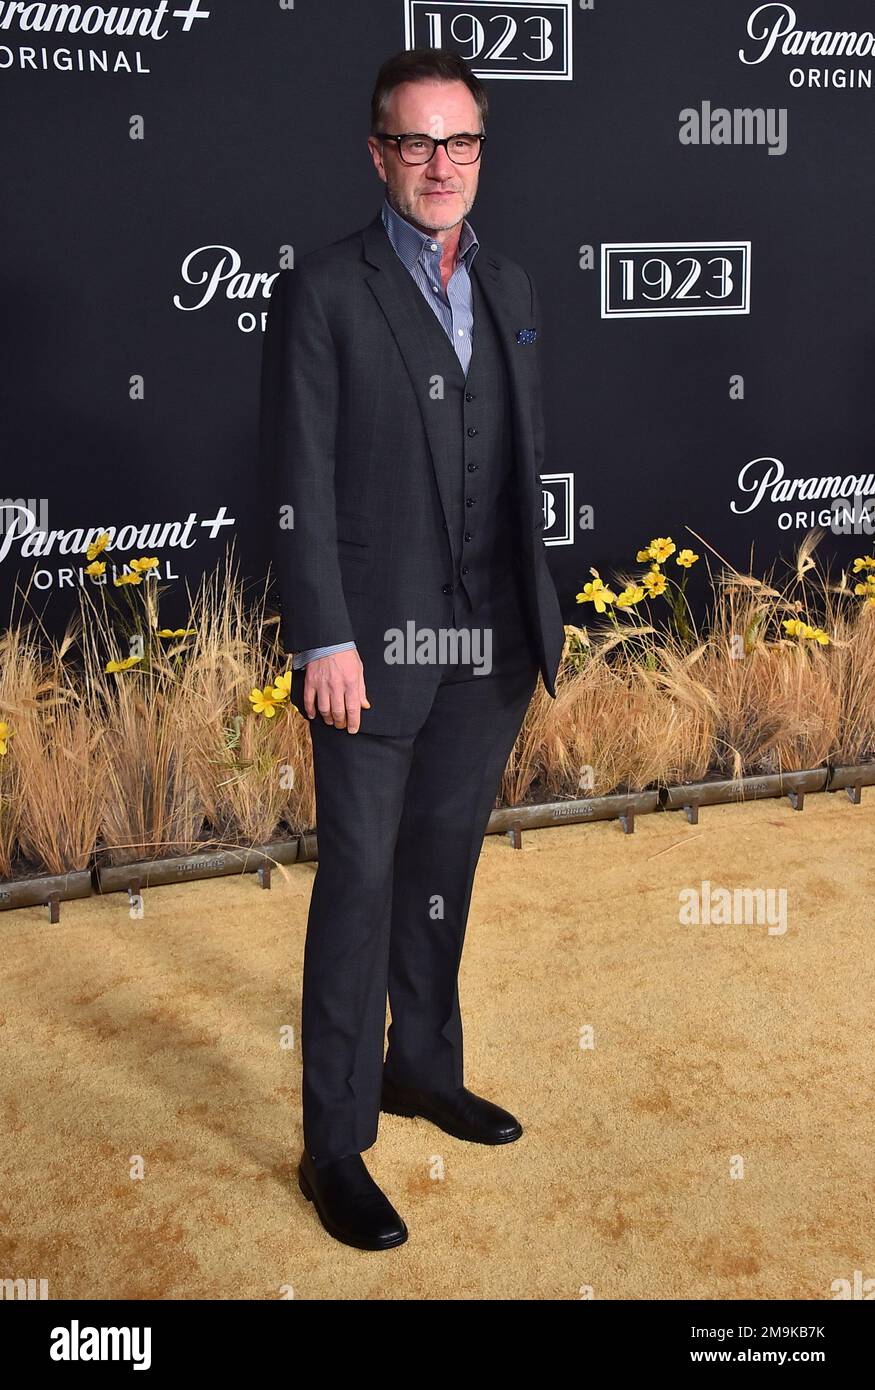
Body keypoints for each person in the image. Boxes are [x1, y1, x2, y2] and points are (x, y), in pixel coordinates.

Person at [259, 46, 564, 1251]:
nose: (441, 165)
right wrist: (323, 634)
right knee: (359, 887)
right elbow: (296, 477)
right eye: (416, 142)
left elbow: (514, 465)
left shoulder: (514, 285)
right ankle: (333, 1142)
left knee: (441, 873)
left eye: (462, 142)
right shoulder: (325, 292)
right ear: (377, 153)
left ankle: (420, 1067)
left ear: (480, 151)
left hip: (485, 647)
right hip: (371, 653)